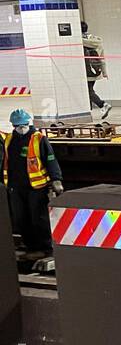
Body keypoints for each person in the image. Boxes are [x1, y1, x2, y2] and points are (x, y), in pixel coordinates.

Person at [4, 109, 63, 254]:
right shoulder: (10, 140)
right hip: (16, 187)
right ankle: (31, 246)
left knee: (39, 218)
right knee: (20, 218)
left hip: (36, 187)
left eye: (23, 125)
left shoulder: (38, 139)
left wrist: (56, 179)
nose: (21, 129)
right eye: (18, 126)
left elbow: (50, 159)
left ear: (28, 124)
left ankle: (46, 247)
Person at [81, 21, 111, 121]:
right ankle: (89, 109)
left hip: (85, 70)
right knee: (89, 91)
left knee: (88, 92)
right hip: (95, 70)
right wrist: (104, 72)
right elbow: (102, 58)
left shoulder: (78, 41)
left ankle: (103, 105)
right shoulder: (97, 40)